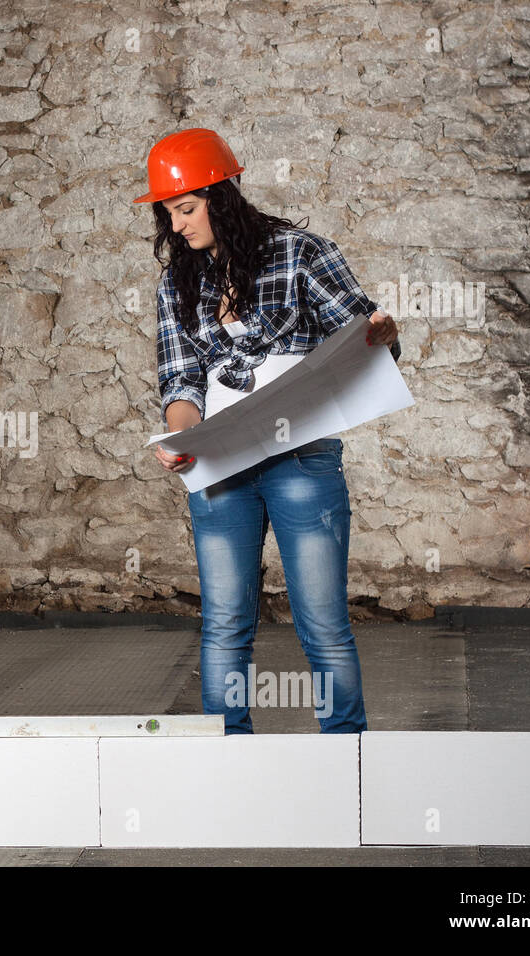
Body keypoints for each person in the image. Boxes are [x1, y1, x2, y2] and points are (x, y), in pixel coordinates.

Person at [134, 128, 400, 734]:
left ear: (222, 197)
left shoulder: (301, 253)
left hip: (302, 458)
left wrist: (381, 335)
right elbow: (180, 384)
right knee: (226, 620)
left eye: (186, 208)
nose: (177, 227)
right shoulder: (177, 285)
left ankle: (346, 757)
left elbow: (361, 338)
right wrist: (181, 440)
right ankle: (230, 761)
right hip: (221, 466)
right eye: (167, 214)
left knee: (323, 621)